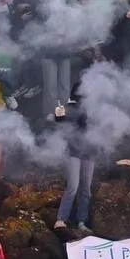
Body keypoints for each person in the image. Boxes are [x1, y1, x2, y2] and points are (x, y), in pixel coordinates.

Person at [53, 83, 94, 233]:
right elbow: (62, 119)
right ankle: (61, 219)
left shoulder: (93, 107)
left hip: (89, 152)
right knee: (73, 186)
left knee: (86, 189)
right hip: (73, 153)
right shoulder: (69, 107)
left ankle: (82, 221)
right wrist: (58, 116)